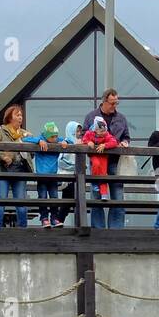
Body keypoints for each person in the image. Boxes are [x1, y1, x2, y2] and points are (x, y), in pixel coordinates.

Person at [82, 89, 131, 227]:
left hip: (115, 161)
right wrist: (89, 142)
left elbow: (126, 136)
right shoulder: (91, 116)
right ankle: (98, 231)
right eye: (112, 103)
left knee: (118, 197)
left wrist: (125, 142)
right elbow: (84, 135)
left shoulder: (121, 118)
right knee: (97, 196)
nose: (115, 106)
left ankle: (116, 232)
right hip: (97, 161)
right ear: (104, 101)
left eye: (117, 103)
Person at [24, 121, 67, 228]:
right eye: (52, 136)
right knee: (42, 197)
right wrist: (39, 141)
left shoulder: (58, 140)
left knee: (54, 197)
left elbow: (69, 141)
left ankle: (54, 218)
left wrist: (65, 141)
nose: (55, 139)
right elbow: (25, 139)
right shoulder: (40, 140)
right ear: (47, 136)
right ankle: (44, 218)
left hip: (53, 177)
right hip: (42, 177)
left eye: (56, 136)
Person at [82, 116, 121, 228]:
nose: (103, 134)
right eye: (100, 131)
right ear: (95, 129)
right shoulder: (90, 133)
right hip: (94, 155)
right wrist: (88, 143)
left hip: (103, 156)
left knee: (103, 173)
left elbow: (113, 142)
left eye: (104, 131)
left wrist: (105, 145)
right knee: (96, 166)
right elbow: (85, 139)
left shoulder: (107, 135)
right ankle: (95, 185)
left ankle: (104, 193)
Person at [54, 120, 83, 228]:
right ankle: (59, 219)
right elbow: (61, 162)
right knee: (69, 198)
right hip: (66, 177)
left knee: (72, 199)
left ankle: (59, 219)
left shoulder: (79, 143)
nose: (79, 133)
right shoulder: (66, 143)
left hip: (76, 177)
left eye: (80, 130)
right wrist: (75, 166)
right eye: (77, 130)